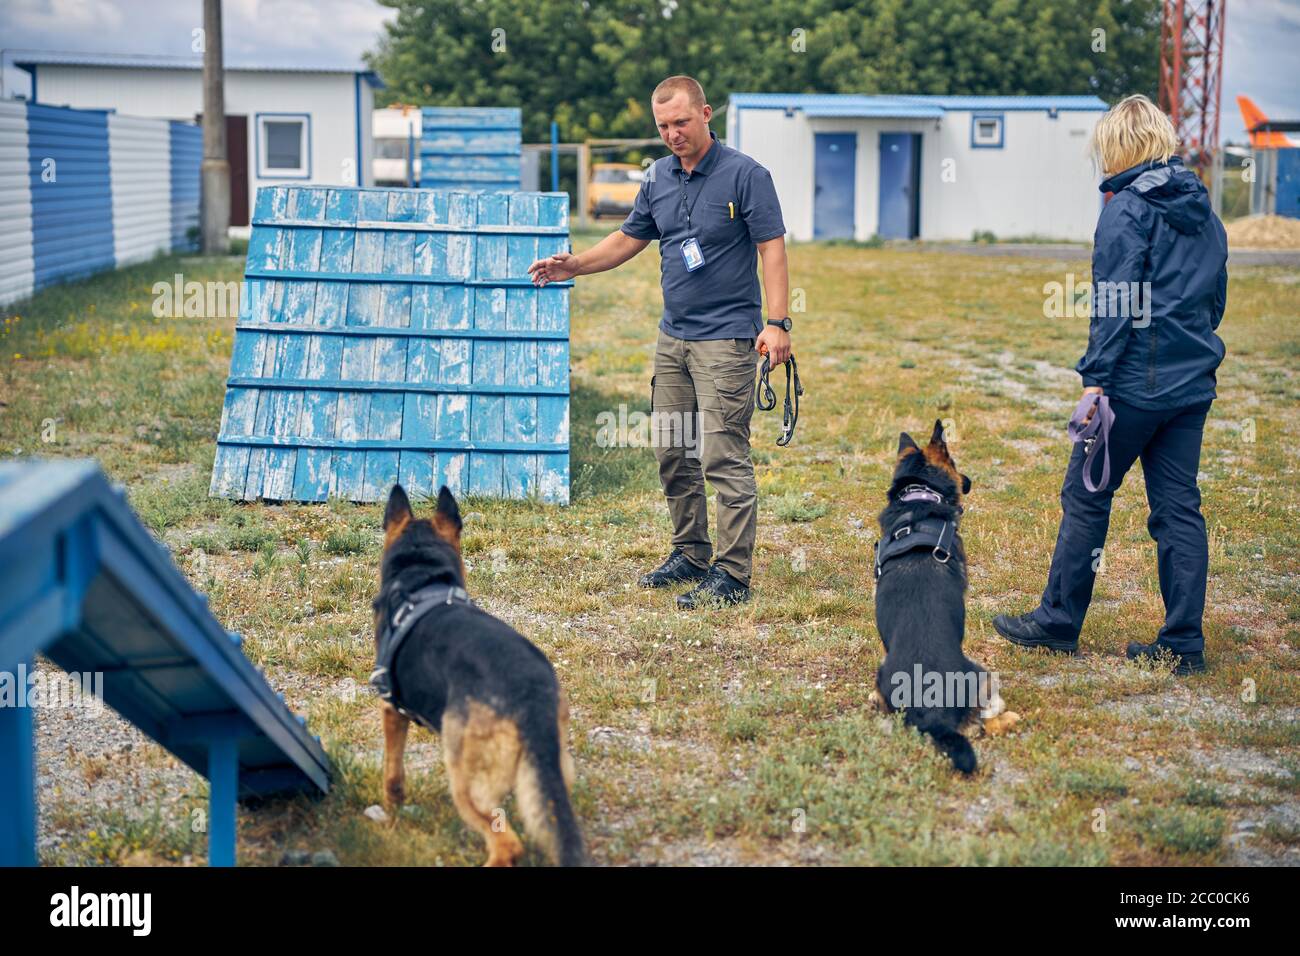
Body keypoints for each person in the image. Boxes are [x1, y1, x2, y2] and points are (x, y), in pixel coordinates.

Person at [528, 75, 792, 609]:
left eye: (681, 122)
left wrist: (778, 324)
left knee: (722, 455)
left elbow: (772, 249)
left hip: (726, 340)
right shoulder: (657, 178)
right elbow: (630, 237)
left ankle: (732, 574)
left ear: (706, 114)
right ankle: (690, 553)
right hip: (673, 339)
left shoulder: (747, 175)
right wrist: (574, 264)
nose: (673, 134)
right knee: (674, 452)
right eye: (663, 126)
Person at [993, 94, 1228, 675]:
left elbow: (1114, 303)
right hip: (1191, 385)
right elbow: (1215, 299)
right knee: (1178, 509)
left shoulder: (1126, 208)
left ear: (1121, 147)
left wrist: (1095, 381)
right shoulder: (1204, 210)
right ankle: (1183, 643)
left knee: (1085, 497)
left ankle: (1057, 622)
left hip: (1132, 388)